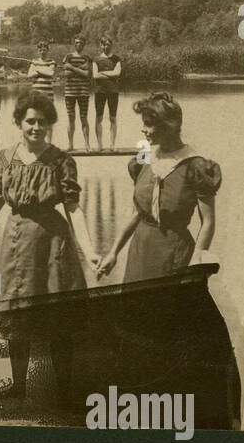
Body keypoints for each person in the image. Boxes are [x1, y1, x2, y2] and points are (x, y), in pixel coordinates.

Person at [0, 92, 98, 398]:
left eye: (43, 122)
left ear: (50, 125)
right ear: (18, 122)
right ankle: (18, 387)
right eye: (30, 121)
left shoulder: (62, 161)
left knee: (57, 314)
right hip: (15, 243)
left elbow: (73, 208)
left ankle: (65, 390)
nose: (36, 127)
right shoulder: (6, 157)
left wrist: (89, 250)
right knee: (16, 313)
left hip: (53, 244)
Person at [97, 92, 221, 283]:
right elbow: (135, 213)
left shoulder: (196, 166)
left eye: (148, 124)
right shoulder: (144, 159)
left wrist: (195, 263)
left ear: (168, 126)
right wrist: (113, 252)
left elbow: (208, 222)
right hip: (140, 252)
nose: (143, 129)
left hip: (175, 254)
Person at [59, 33, 93, 151]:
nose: (79, 44)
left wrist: (72, 67)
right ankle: (70, 145)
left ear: (84, 44)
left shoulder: (87, 58)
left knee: (84, 118)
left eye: (81, 43)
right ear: (74, 43)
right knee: (71, 118)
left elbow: (87, 74)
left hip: (83, 92)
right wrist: (81, 69)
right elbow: (66, 74)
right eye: (77, 42)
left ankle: (87, 144)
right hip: (70, 92)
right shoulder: (68, 56)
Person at [92, 35, 123, 150]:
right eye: (104, 44)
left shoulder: (117, 59)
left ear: (111, 45)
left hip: (113, 91)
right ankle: (99, 144)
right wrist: (111, 73)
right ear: (101, 45)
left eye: (108, 44)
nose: (106, 46)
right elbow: (95, 75)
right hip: (100, 91)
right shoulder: (96, 59)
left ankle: (112, 144)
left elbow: (117, 73)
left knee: (112, 118)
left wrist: (103, 73)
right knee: (98, 118)